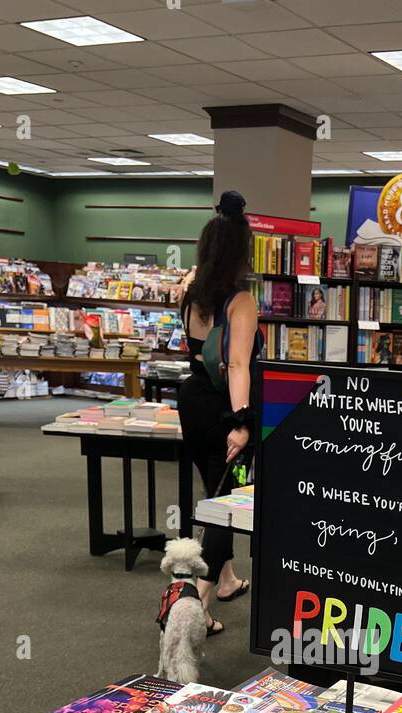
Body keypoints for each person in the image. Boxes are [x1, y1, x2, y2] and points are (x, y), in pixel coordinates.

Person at [178, 190, 262, 637]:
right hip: (223, 407)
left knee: (213, 490)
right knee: (228, 506)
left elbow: (199, 353)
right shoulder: (241, 302)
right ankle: (195, 609)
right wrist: (243, 422)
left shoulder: (193, 298)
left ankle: (225, 581)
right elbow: (238, 367)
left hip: (192, 404)